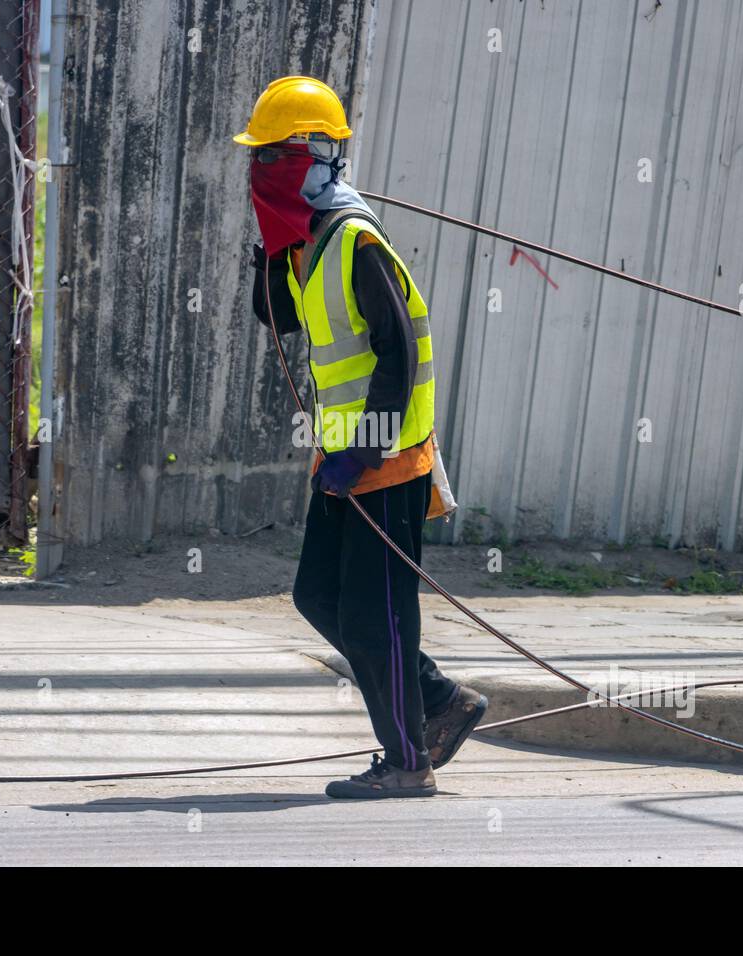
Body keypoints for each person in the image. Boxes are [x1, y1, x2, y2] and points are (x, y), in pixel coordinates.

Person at [233, 76, 488, 799]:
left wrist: (364, 450)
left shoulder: (355, 240)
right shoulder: (307, 242)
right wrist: (268, 245)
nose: (259, 171)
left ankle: (408, 761)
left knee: (376, 620)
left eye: (272, 158)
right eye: (256, 160)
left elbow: (399, 356)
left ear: (314, 156)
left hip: (386, 462)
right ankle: (438, 700)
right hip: (344, 461)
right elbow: (278, 321)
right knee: (319, 595)